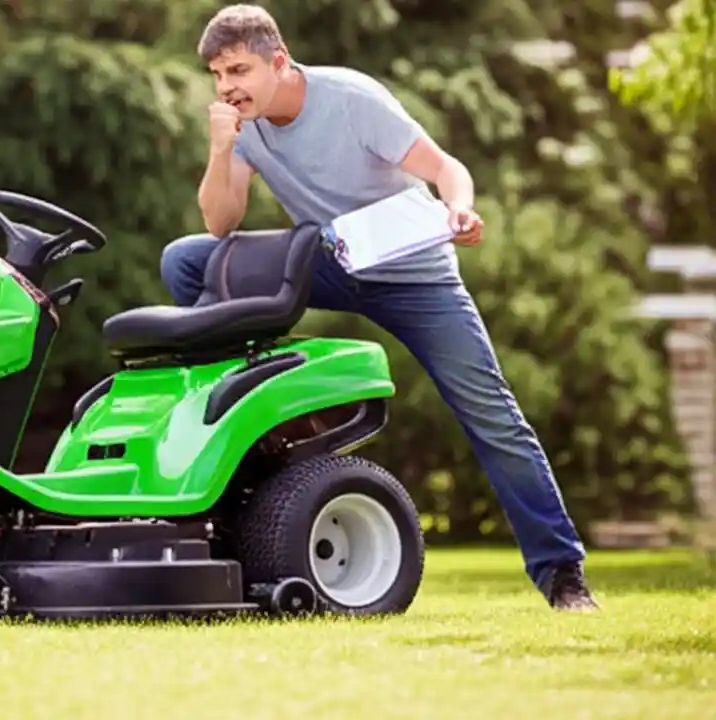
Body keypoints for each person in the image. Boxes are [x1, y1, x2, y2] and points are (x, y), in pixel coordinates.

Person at [167, 4, 598, 611]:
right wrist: (221, 151)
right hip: (329, 261)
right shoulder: (244, 128)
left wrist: (460, 209)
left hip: (415, 276)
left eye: (238, 70)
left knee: (493, 417)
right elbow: (221, 223)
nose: (226, 87)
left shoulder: (350, 99)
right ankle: (244, 403)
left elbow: (445, 168)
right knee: (185, 261)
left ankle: (562, 574)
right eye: (217, 75)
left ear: (279, 61)